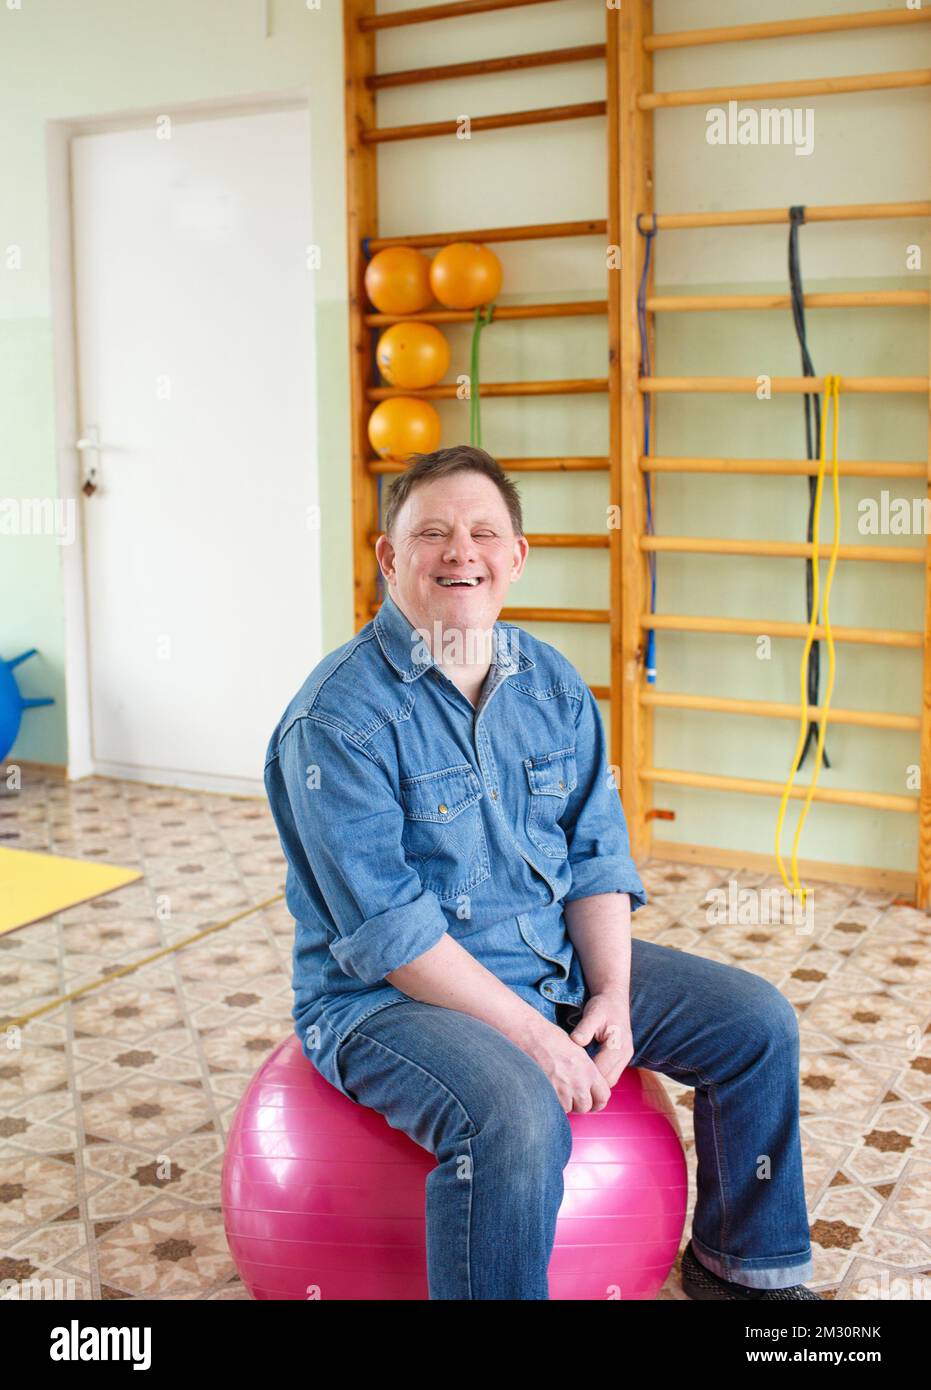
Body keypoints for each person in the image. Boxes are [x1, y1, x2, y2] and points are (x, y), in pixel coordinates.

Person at [263, 444, 822, 1301]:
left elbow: (595, 854)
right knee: (515, 1117)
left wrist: (611, 999)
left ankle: (741, 1273)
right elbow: (394, 935)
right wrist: (536, 1041)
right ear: (389, 556)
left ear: (515, 558)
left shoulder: (551, 685)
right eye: (433, 534)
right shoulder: (334, 721)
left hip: (544, 957)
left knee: (755, 1024)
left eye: (485, 533)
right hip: (385, 1001)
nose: (462, 553)